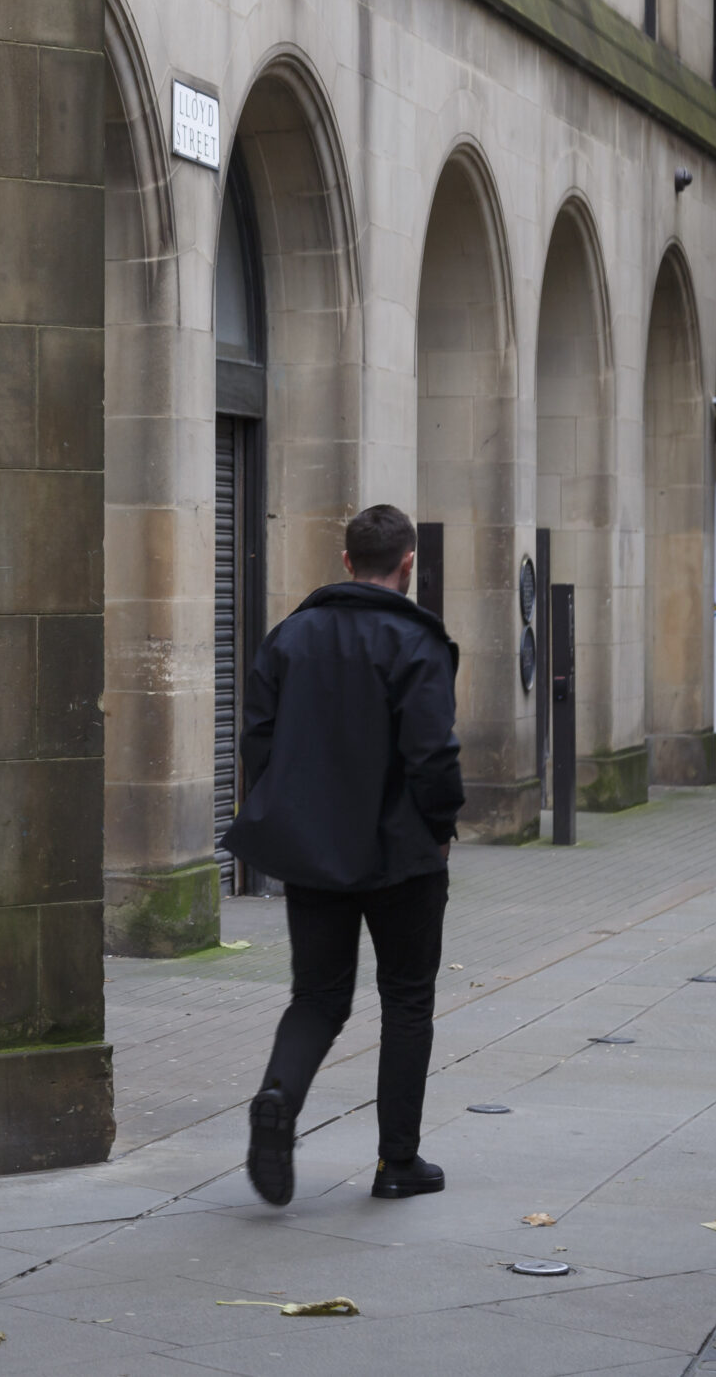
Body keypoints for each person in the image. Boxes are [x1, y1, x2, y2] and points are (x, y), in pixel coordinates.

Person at [225, 503, 464, 1206]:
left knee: (319, 995)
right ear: (408, 563)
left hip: (315, 850)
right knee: (407, 999)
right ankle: (397, 1161)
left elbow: (258, 740)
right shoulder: (416, 642)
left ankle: (279, 1095)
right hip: (404, 855)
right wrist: (441, 825)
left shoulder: (290, 637)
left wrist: (293, 811)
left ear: (346, 560)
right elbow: (432, 753)